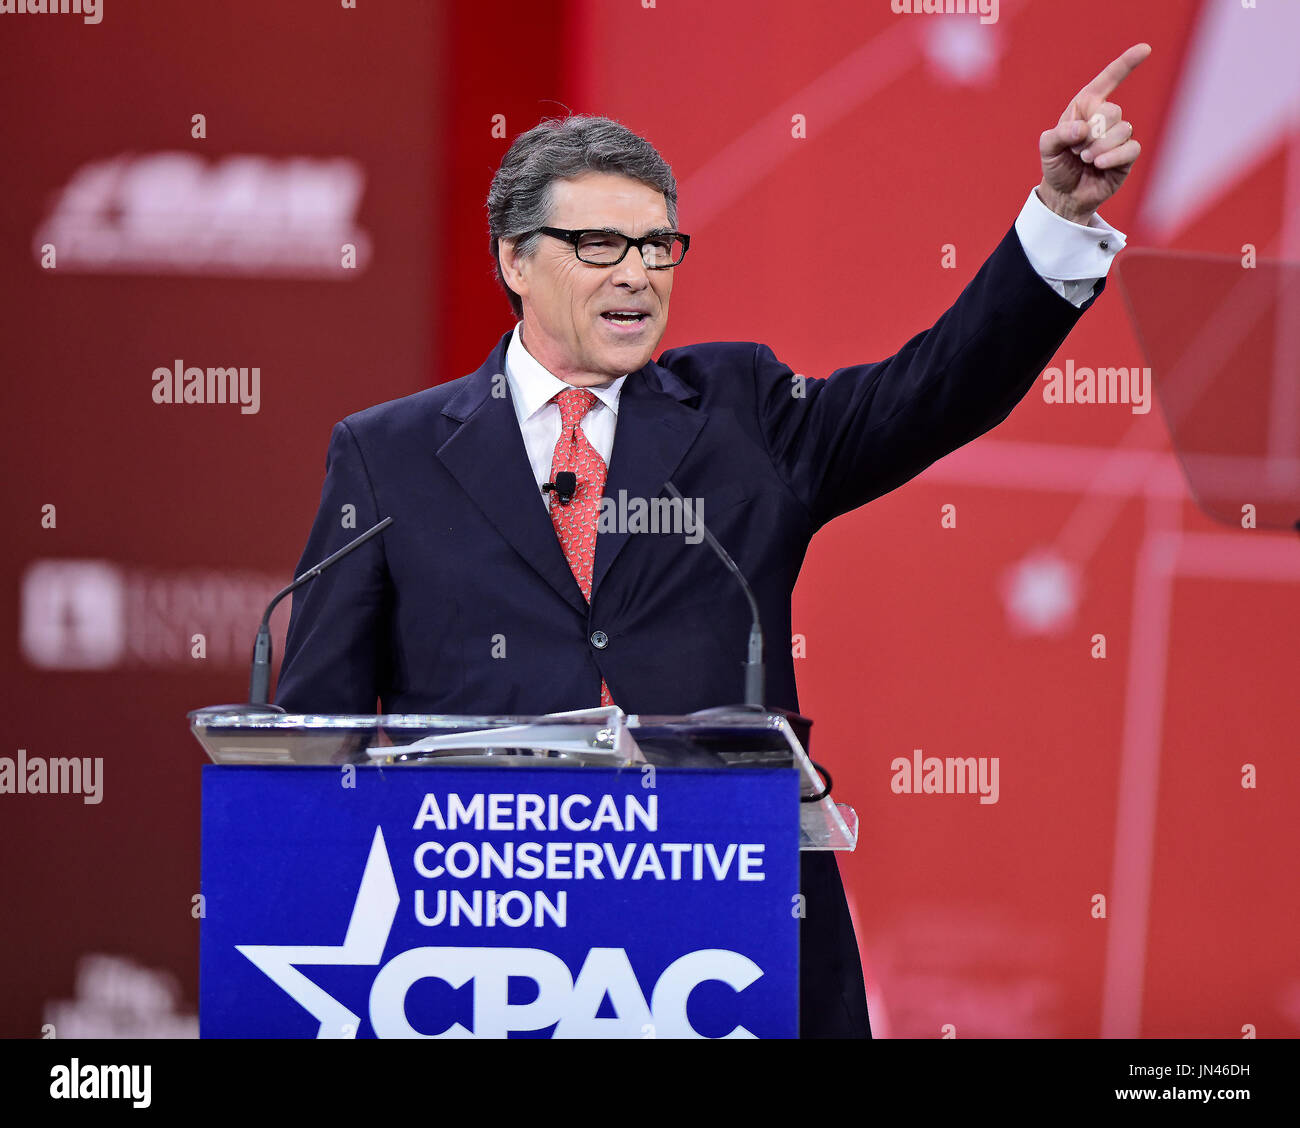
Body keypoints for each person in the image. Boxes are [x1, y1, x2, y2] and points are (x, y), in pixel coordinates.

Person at [275, 44, 1151, 1037]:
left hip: (723, 930)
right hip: (478, 946)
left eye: (658, 247)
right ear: (514, 259)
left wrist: (1059, 218)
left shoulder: (741, 414)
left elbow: (934, 390)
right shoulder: (388, 454)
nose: (639, 275)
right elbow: (317, 739)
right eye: (601, 246)